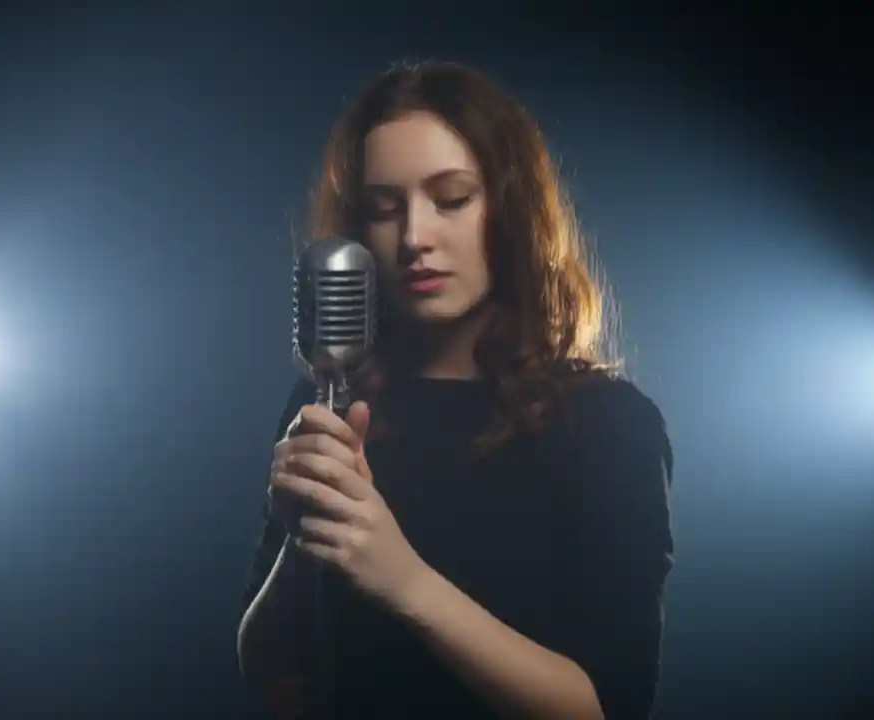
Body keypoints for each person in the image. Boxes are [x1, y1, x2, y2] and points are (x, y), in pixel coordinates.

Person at [236, 60, 675, 719]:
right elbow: (274, 682)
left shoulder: (609, 426)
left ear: (511, 210)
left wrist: (402, 579)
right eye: (385, 209)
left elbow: (607, 709)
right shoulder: (329, 403)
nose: (415, 237)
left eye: (451, 199)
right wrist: (303, 541)